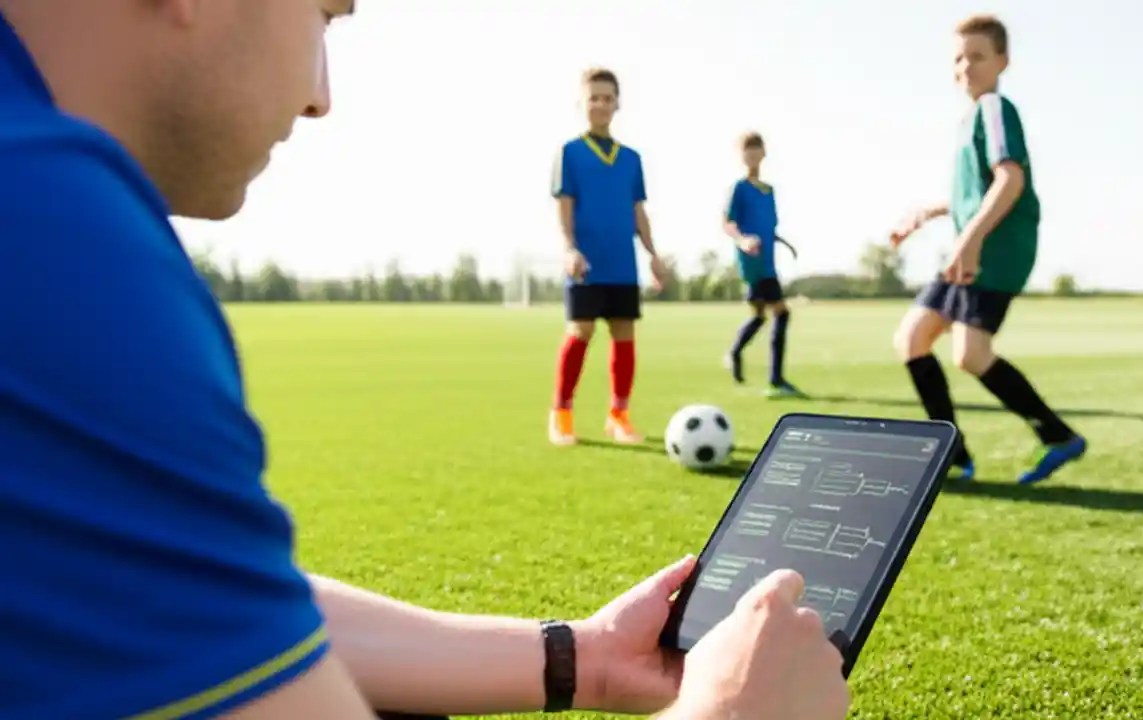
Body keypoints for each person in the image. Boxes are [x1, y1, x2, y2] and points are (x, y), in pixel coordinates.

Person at [0, 2, 850, 719]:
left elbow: (178, 591)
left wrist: (582, 657)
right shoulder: (49, 230)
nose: (319, 96)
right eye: (324, 12)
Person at [889, 14, 1088, 485]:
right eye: (959, 58)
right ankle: (962, 453)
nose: (966, 66)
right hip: (973, 245)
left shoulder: (995, 107)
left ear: (1002, 60)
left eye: (977, 56)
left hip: (996, 250)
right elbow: (972, 192)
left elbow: (1010, 178)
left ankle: (1042, 440)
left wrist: (970, 239)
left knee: (967, 353)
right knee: (916, 340)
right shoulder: (971, 118)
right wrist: (929, 213)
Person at [548, 67, 665, 447]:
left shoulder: (631, 159)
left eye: (607, 98)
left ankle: (619, 416)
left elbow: (638, 211)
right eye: (593, 97)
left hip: (622, 263)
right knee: (581, 331)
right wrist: (568, 248)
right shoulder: (569, 153)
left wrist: (652, 254)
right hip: (586, 262)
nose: (600, 104)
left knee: (624, 334)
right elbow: (564, 206)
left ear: (618, 104)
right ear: (581, 103)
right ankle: (561, 415)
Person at [722, 132, 803, 398]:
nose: (752, 154)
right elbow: (728, 223)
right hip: (753, 261)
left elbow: (768, 227)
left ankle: (734, 353)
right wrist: (742, 240)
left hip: (769, 258)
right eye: (747, 149)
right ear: (741, 155)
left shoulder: (769, 191)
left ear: (764, 153)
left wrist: (784, 242)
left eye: (756, 148)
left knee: (759, 315)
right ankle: (776, 381)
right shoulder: (739, 188)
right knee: (782, 313)